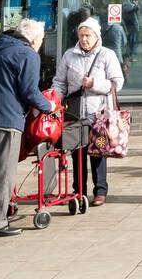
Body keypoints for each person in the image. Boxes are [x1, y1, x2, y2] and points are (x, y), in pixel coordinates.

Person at [0, 18, 57, 237]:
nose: (41, 43)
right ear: (34, 38)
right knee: (4, 174)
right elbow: (29, 91)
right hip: (6, 120)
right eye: (41, 39)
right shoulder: (27, 54)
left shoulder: (0, 48)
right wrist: (49, 106)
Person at [53, 16, 125, 207]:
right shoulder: (69, 55)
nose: (84, 39)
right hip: (75, 113)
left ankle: (100, 190)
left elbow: (117, 82)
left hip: (98, 114)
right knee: (77, 153)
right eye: (81, 35)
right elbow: (60, 82)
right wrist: (55, 98)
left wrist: (94, 84)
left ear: (96, 36)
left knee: (98, 152)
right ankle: (79, 191)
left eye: (87, 35)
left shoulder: (106, 55)